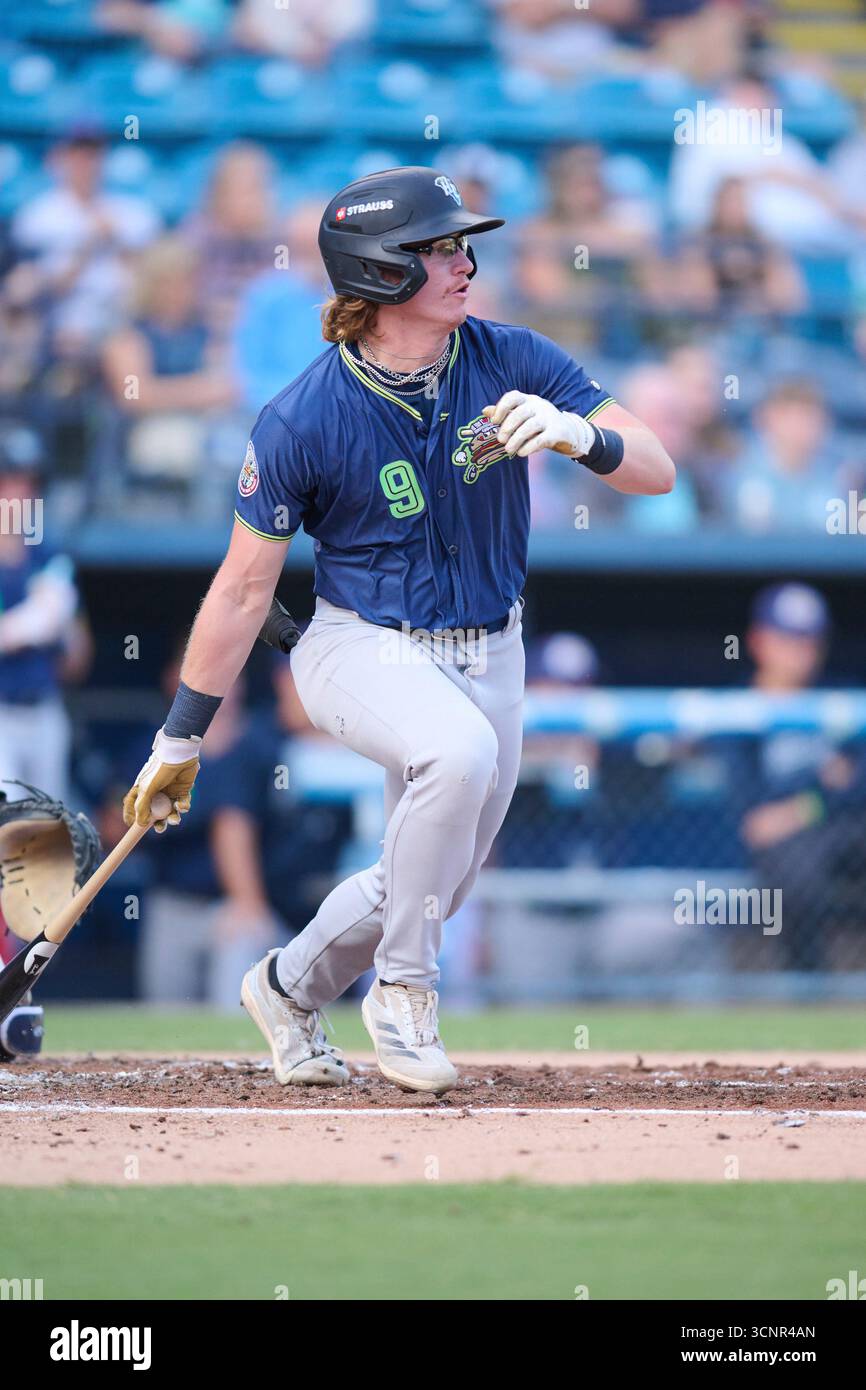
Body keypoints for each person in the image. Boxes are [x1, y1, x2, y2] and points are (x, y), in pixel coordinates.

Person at [122, 164, 674, 1096]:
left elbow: (654, 469)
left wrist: (584, 438)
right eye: (440, 247)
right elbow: (242, 588)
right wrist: (181, 735)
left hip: (493, 644)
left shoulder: (514, 358)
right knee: (452, 758)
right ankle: (404, 993)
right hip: (358, 644)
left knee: (432, 881)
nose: (465, 261)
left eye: (462, 243)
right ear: (380, 272)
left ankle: (289, 987)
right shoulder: (301, 416)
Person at [738, 584, 866, 972]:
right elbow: (754, 821)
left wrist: (804, 806)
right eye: (790, 638)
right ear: (759, 641)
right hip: (785, 855)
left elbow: (859, 786)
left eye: (811, 639)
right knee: (797, 871)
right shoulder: (736, 711)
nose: (802, 650)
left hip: (843, 831)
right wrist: (824, 783)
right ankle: (809, 986)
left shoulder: (842, 700)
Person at [0, 422, 78, 801]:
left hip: (44, 709)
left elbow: (76, 649)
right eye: (10, 481)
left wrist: (48, 626)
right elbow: (35, 624)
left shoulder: (45, 551)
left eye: (29, 484)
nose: (19, 494)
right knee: (8, 828)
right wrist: (32, 624)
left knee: (51, 830)